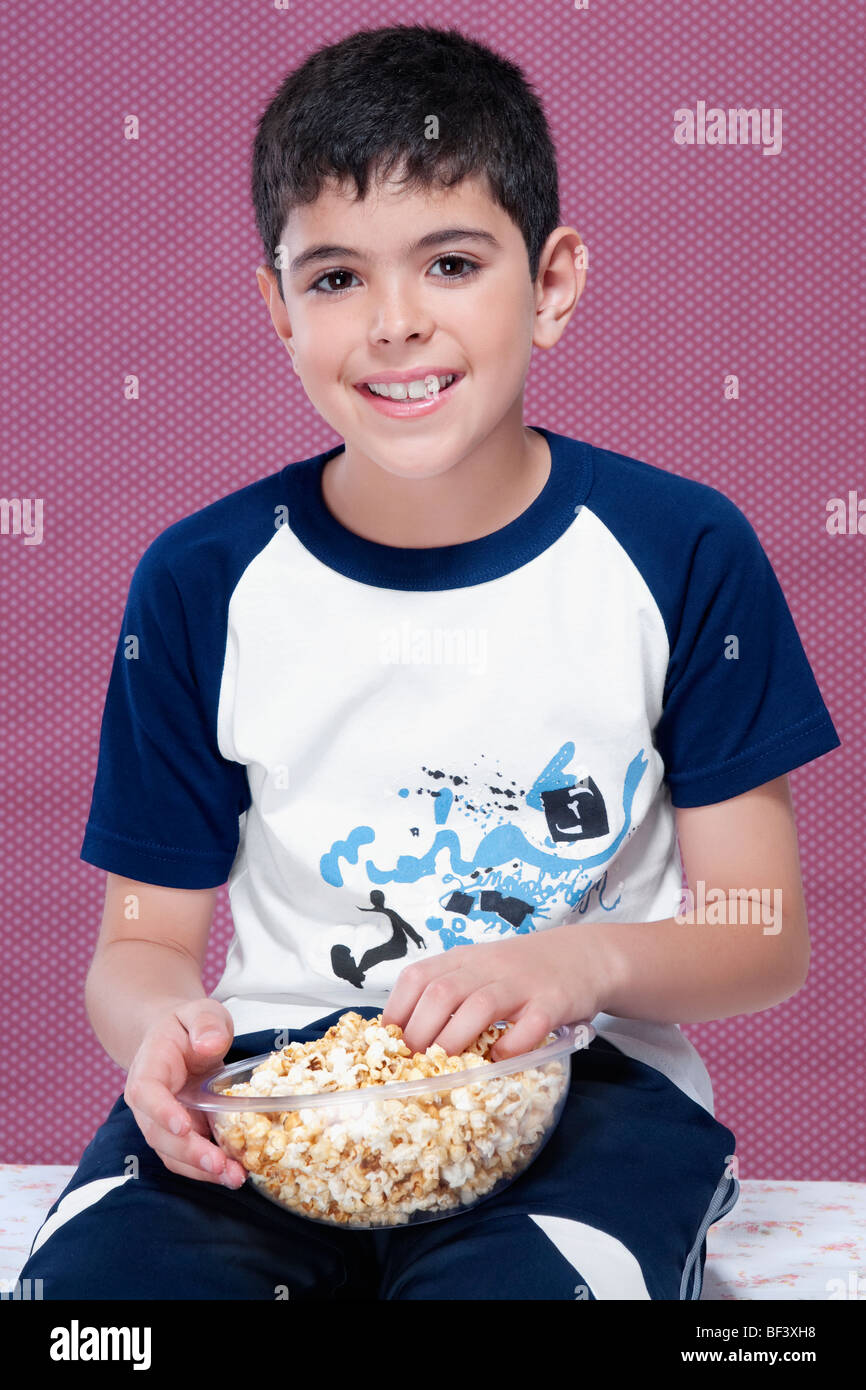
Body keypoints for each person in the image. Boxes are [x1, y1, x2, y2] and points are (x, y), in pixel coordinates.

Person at [20, 23, 839, 1301]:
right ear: (277, 307)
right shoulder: (201, 578)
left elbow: (761, 927)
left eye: (450, 262)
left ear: (552, 282)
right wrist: (157, 1031)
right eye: (336, 277)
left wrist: (578, 963)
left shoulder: (678, 548)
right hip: (280, 1089)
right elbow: (140, 942)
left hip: (582, 1096)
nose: (395, 324)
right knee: (89, 1323)